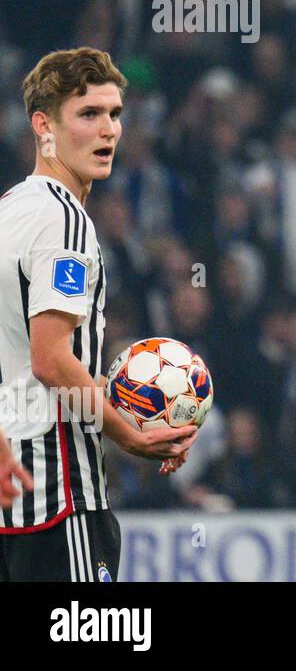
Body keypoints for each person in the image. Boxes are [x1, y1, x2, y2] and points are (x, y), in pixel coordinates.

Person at [0, 48, 193, 582]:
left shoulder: (10, 210)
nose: (108, 129)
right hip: (61, 501)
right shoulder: (65, 222)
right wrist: (126, 433)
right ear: (44, 126)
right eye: (88, 114)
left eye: (115, 114)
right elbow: (51, 360)